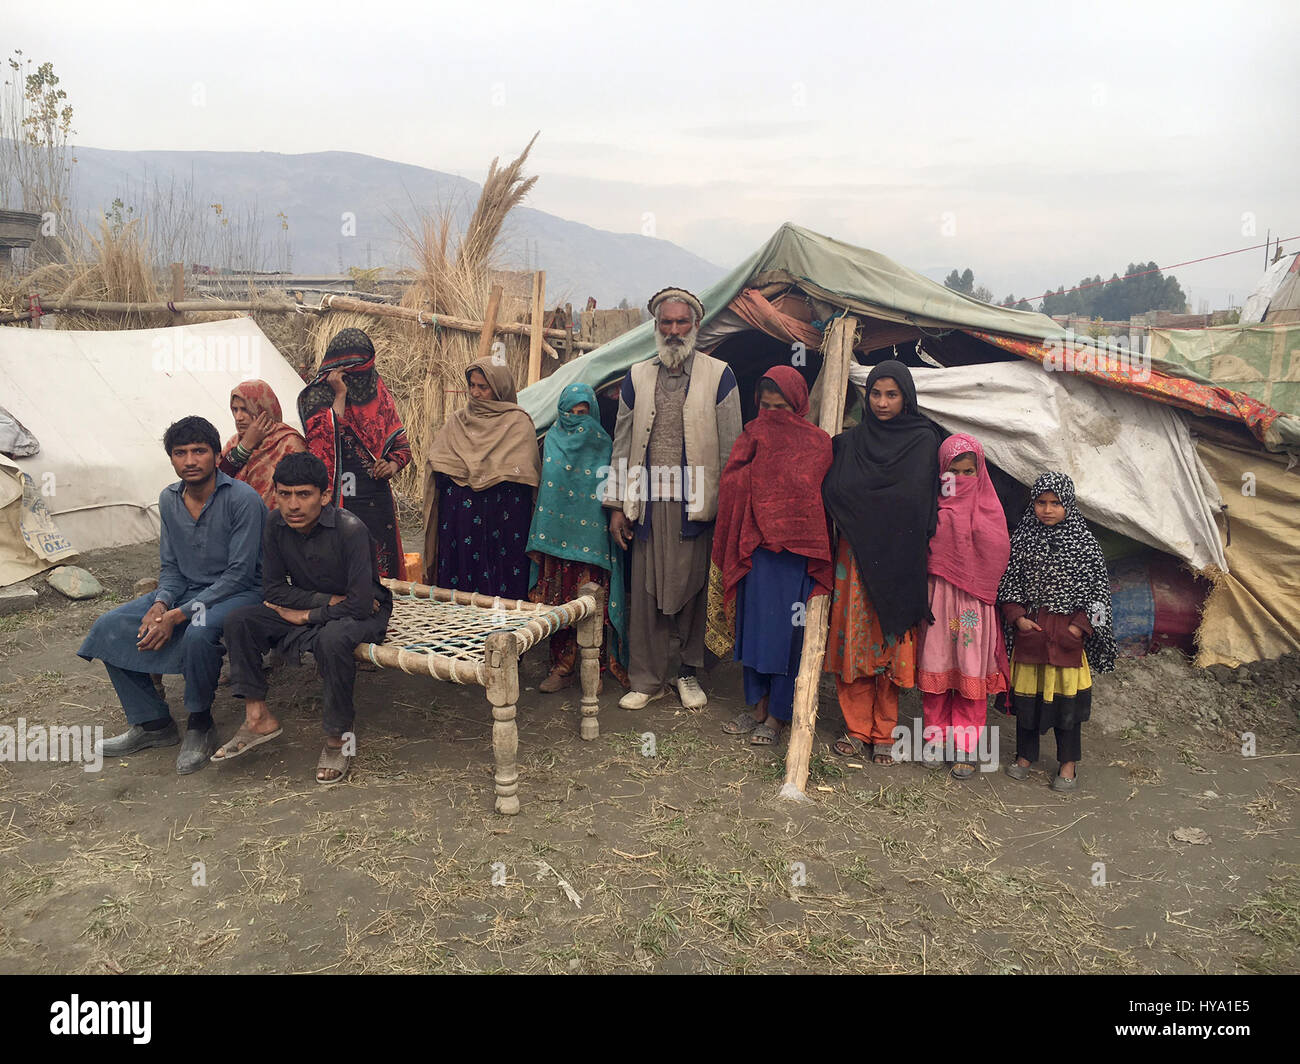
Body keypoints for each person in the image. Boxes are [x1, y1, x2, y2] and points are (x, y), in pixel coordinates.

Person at [78, 416, 264, 774]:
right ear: (172, 459)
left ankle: (200, 723)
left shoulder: (242, 499)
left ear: (215, 455)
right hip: (186, 592)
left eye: (199, 451)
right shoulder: (169, 498)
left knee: (197, 630)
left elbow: (239, 574)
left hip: (238, 593)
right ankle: (152, 724)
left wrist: (176, 615)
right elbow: (173, 568)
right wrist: (161, 603)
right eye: (181, 453)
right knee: (109, 626)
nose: (190, 461)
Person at [213, 452, 393, 785]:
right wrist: (318, 603)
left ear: (325, 496)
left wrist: (307, 615)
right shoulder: (274, 524)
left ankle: (339, 737)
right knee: (239, 620)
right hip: (315, 605)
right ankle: (257, 718)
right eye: (285, 494)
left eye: (304, 494)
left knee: (332, 638)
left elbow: (359, 604)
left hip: (362, 614)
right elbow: (273, 589)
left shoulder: (350, 528)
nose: (293, 505)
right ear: (275, 494)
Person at [606, 286, 742, 712]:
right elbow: (622, 442)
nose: (674, 330)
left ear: (696, 326)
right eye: (666, 322)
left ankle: (687, 673)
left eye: (682, 322)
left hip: (698, 502)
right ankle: (647, 680)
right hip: (647, 501)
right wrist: (615, 506)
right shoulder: (637, 376)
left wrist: (728, 510)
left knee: (692, 590)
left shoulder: (720, 375)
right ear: (656, 327)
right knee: (646, 592)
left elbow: (731, 447)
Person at [822, 360, 940, 764]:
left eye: (892, 394)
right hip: (855, 558)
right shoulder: (850, 443)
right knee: (853, 642)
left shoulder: (924, 440)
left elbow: (920, 503)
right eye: (875, 394)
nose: (882, 402)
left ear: (906, 397)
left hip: (900, 562)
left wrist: (874, 509)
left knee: (891, 645)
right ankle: (856, 728)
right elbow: (835, 489)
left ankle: (885, 731)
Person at [708, 367, 833, 746]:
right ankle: (756, 708)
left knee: (785, 638)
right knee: (755, 633)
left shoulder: (818, 443)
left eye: (782, 407)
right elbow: (731, 483)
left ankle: (779, 716)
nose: (773, 414)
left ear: (798, 406)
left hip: (794, 555)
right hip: (756, 552)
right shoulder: (751, 434)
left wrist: (768, 484)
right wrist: (758, 482)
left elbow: (813, 496)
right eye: (766, 405)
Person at [997, 472, 1116, 792]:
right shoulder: (1022, 539)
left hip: (1067, 640)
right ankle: (1025, 756)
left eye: (1055, 503)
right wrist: (1018, 617)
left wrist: (1080, 626)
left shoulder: (1085, 544)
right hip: (1032, 637)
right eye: (1040, 502)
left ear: (1069, 505)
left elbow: (1100, 594)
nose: (1047, 509)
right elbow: (1008, 585)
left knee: (1068, 708)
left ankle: (1068, 763)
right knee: (1026, 705)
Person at [916, 433, 1011, 778]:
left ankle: (966, 747)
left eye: (969, 471)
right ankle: (935, 739)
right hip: (938, 600)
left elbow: (998, 555)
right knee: (937, 668)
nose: (960, 480)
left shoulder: (992, 513)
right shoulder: (931, 511)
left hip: (974, 605)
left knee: (969, 671)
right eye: (952, 472)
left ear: (981, 472)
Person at [526, 382, 629, 691]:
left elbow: (608, 495)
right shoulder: (551, 441)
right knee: (558, 605)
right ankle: (561, 667)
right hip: (556, 544)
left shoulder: (603, 444)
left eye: (582, 412)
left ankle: (593, 670)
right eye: (569, 412)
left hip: (592, 546)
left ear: (592, 412)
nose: (576, 418)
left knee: (591, 606)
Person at [422, 357, 541, 598]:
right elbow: (438, 461)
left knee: (502, 587)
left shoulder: (519, 423)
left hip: (504, 526)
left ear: (499, 389)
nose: (475, 393)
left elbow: (527, 473)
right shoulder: (457, 421)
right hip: (460, 526)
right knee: (459, 588)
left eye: (483, 387)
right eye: (472, 385)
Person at [298, 328, 411, 579]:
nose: (358, 380)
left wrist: (390, 466)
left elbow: (402, 448)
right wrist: (340, 394)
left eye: (362, 372)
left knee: (380, 569)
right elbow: (326, 440)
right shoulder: (317, 396)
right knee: (341, 566)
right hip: (335, 496)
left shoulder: (377, 392)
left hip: (375, 498)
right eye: (350, 374)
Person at [218, 380, 307, 509]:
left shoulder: (288, 442)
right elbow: (216, 483)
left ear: (263, 409)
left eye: (244, 409)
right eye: (235, 410)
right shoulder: (235, 443)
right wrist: (245, 447)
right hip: (237, 523)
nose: (238, 417)